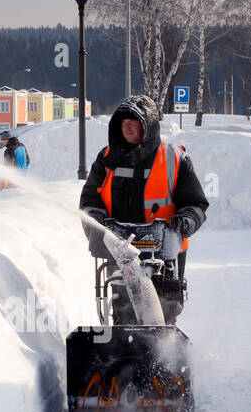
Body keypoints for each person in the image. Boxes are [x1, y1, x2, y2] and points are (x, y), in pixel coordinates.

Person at [79, 94, 209, 324]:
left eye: (133, 121)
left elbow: (196, 203)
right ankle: (121, 345)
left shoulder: (174, 159)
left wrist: (186, 220)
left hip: (164, 248)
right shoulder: (106, 159)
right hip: (120, 246)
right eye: (123, 122)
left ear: (148, 124)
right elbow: (90, 199)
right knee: (123, 306)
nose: (127, 127)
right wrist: (95, 220)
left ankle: (165, 345)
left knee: (165, 308)